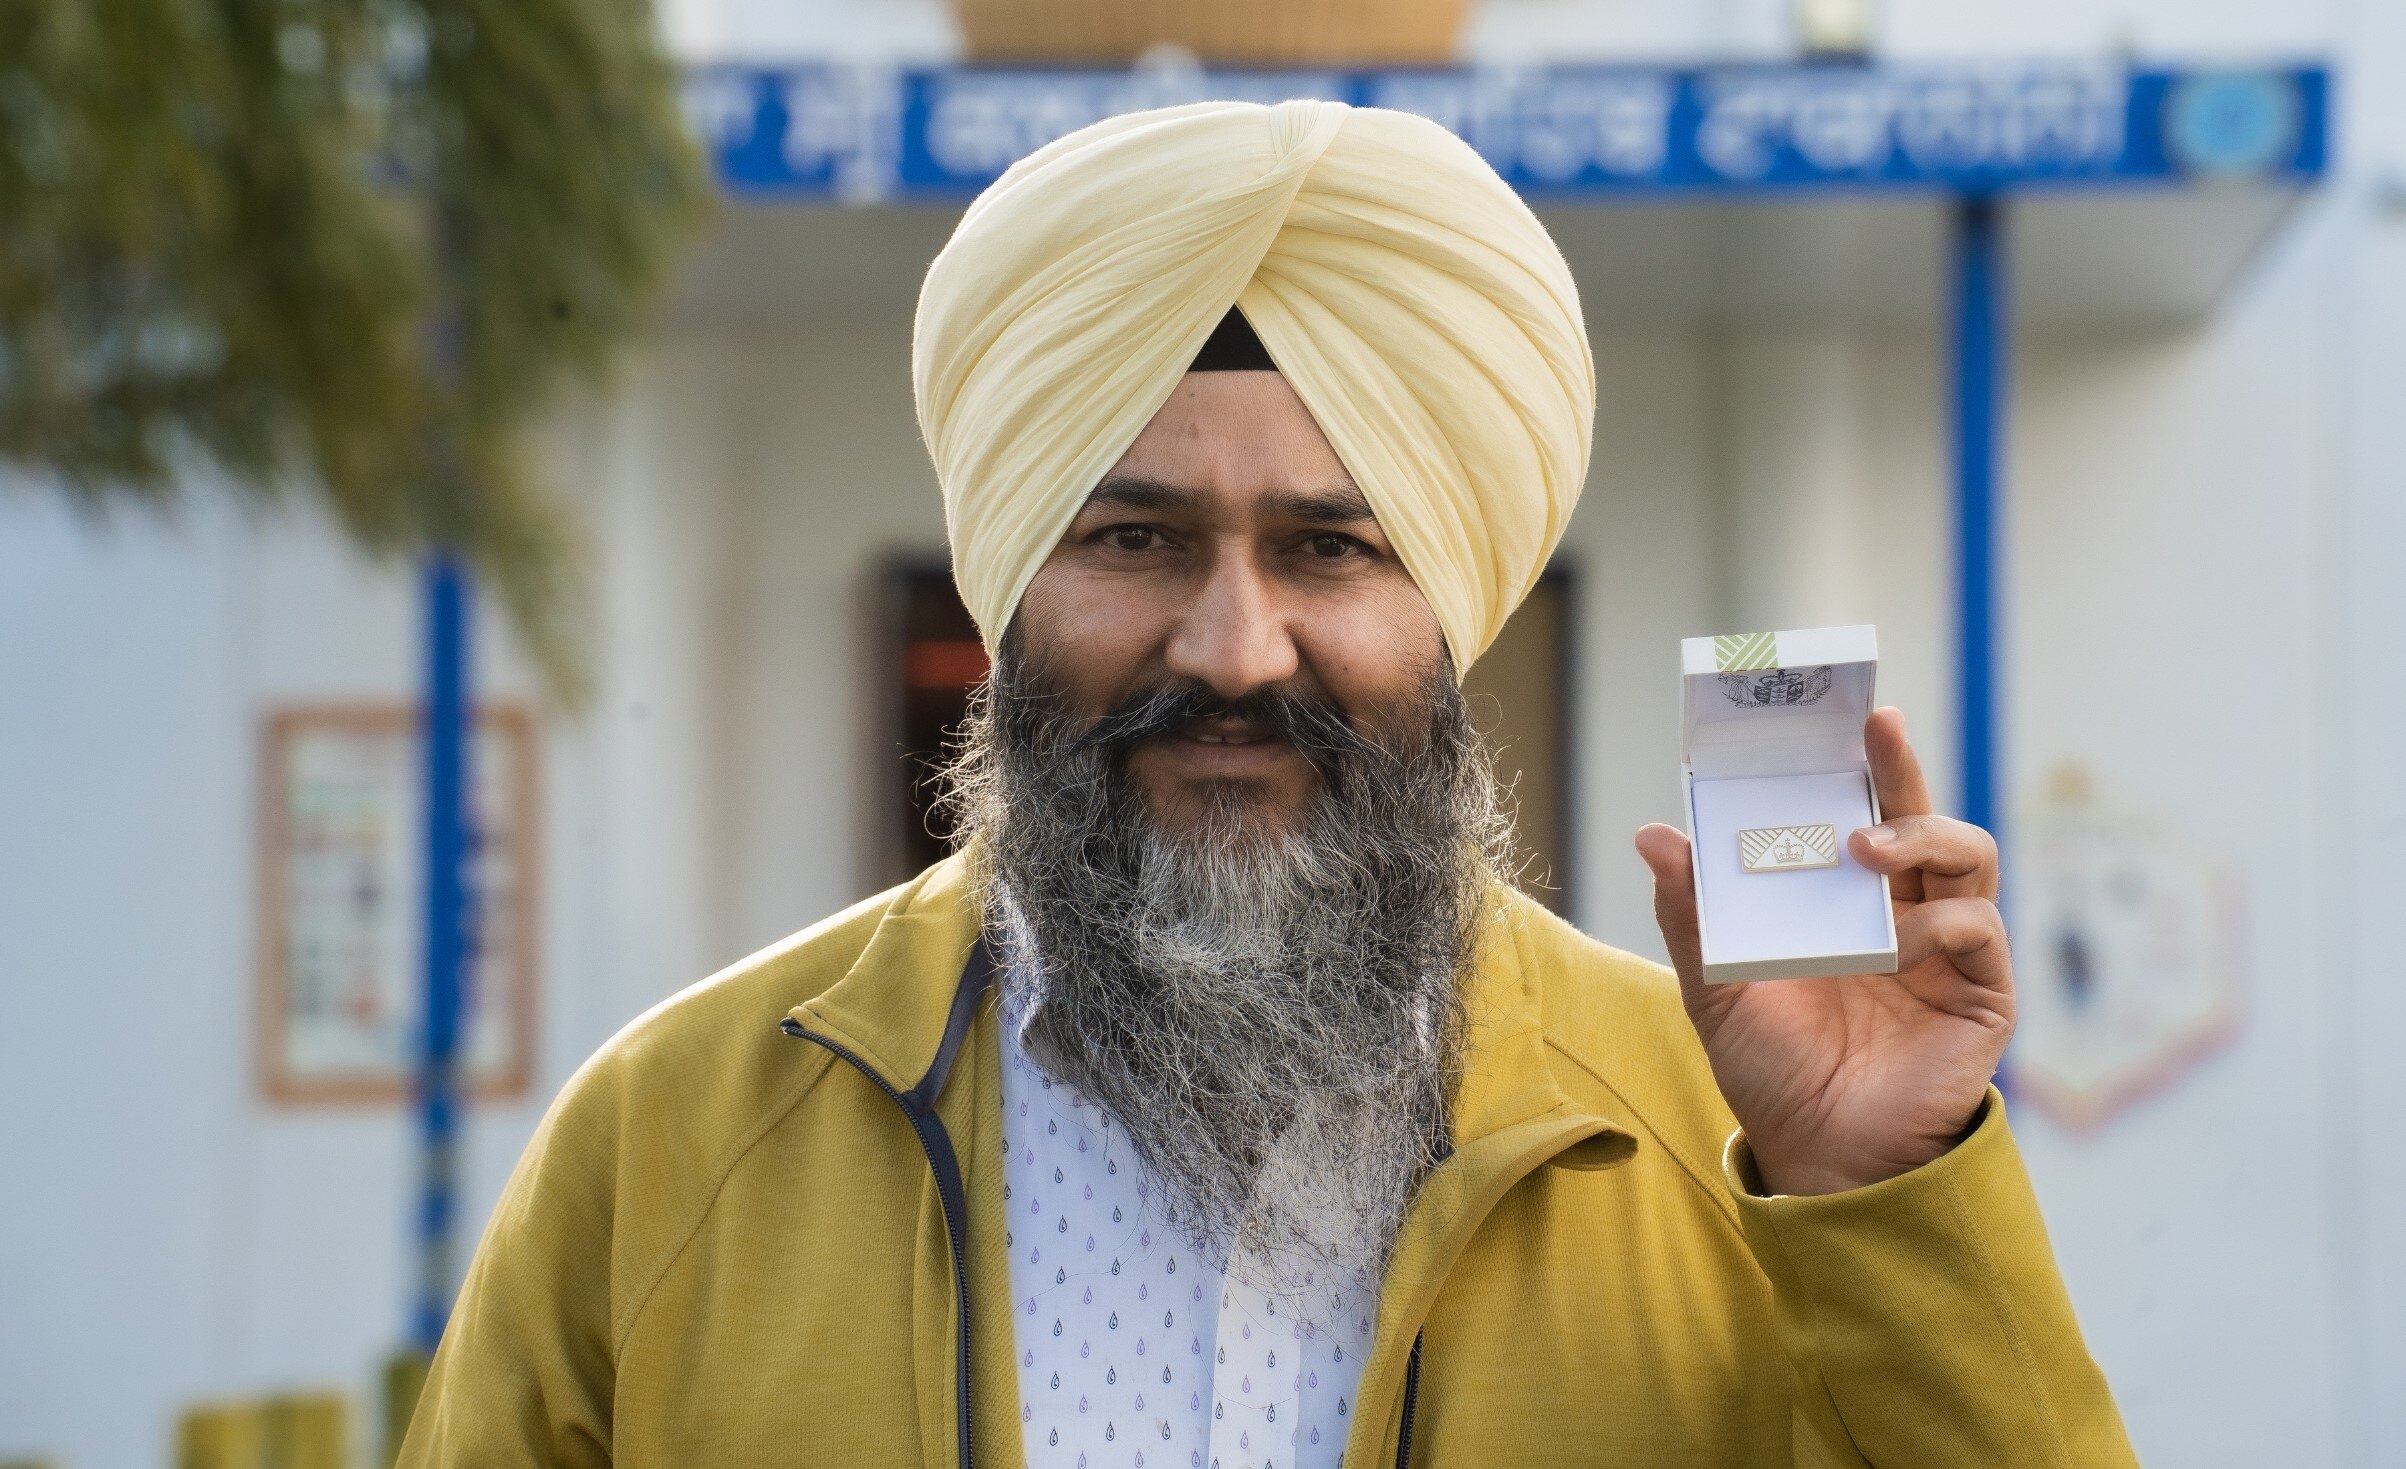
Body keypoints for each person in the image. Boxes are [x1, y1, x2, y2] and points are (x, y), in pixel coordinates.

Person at [397, 100, 2136, 1468]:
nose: (1234, 647)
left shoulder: (1732, 1144)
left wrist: (1877, 1199)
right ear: (1006, 593)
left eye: (1328, 547)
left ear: (1449, 615)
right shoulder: (672, 1141)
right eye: (1135, 536)